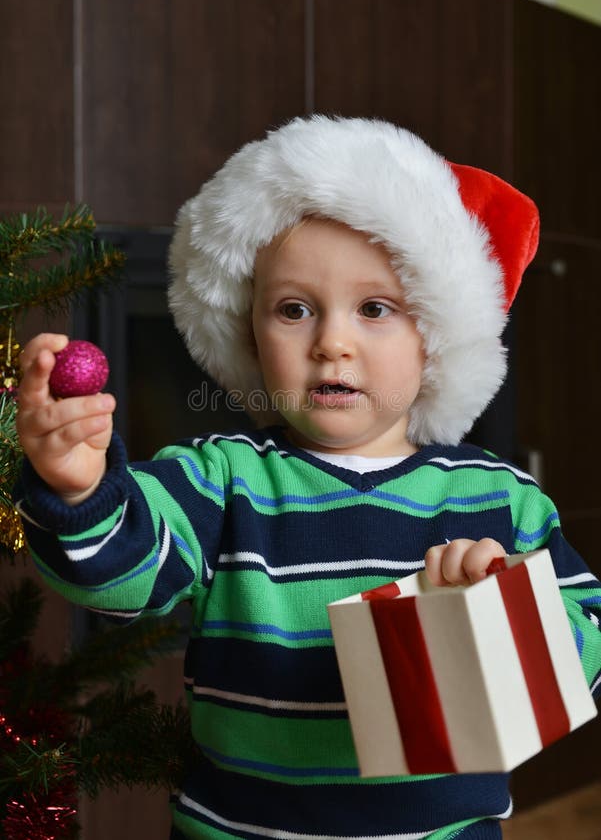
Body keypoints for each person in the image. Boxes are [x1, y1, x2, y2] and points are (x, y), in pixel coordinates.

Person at [15, 115, 601, 839]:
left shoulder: (498, 500)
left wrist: (504, 606)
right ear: (248, 333)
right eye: (293, 310)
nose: (331, 342)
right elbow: (122, 577)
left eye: (374, 309)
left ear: (436, 336)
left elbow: (584, 656)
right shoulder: (219, 481)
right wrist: (79, 489)